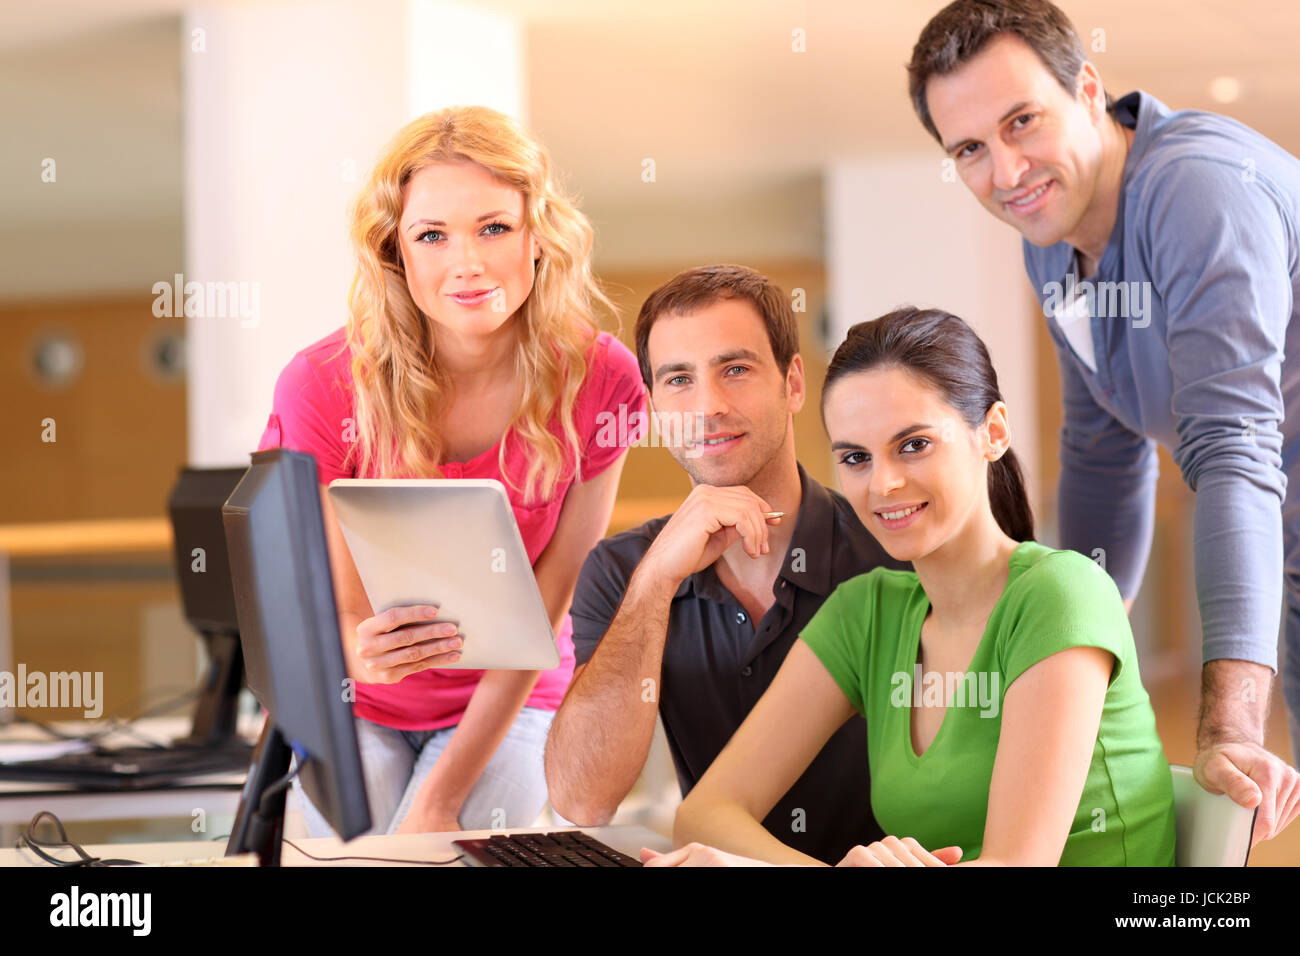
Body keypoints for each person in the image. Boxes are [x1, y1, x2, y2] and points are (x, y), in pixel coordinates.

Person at [905, 0, 1300, 844]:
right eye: (970, 149)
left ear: (1088, 90)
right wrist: (1072, 645)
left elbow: (1232, 449)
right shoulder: (1049, 239)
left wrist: (1230, 728)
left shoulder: (1195, 190)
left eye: (1023, 121)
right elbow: (1102, 446)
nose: (1006, 171)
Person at [646, 307, 1177, 867]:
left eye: (914, 444)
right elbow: (705, 813)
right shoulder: (866, 613)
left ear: (992, 432)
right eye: (855, 457)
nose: (883, 484)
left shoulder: (1062, 594)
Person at [257, 105, 646, 837]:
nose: (465, 262)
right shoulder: (323, 384)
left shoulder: (602, 379)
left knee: (433, 844)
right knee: (355, 851)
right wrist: (359, 653)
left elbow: (548, 604)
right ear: (396, 253)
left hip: (513, 700)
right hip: (356, 700)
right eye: (431, 235)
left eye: (493, 227)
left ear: (538, 235)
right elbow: (335, 610)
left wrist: (440, 796)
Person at [544, 264, 909, 864]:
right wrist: (657, 582)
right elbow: (584, 800)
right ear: (655, 406)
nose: (708, 406)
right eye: (679, 380)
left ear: (794, 384)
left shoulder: (889, 554)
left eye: (734, 370)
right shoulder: (624, 570)